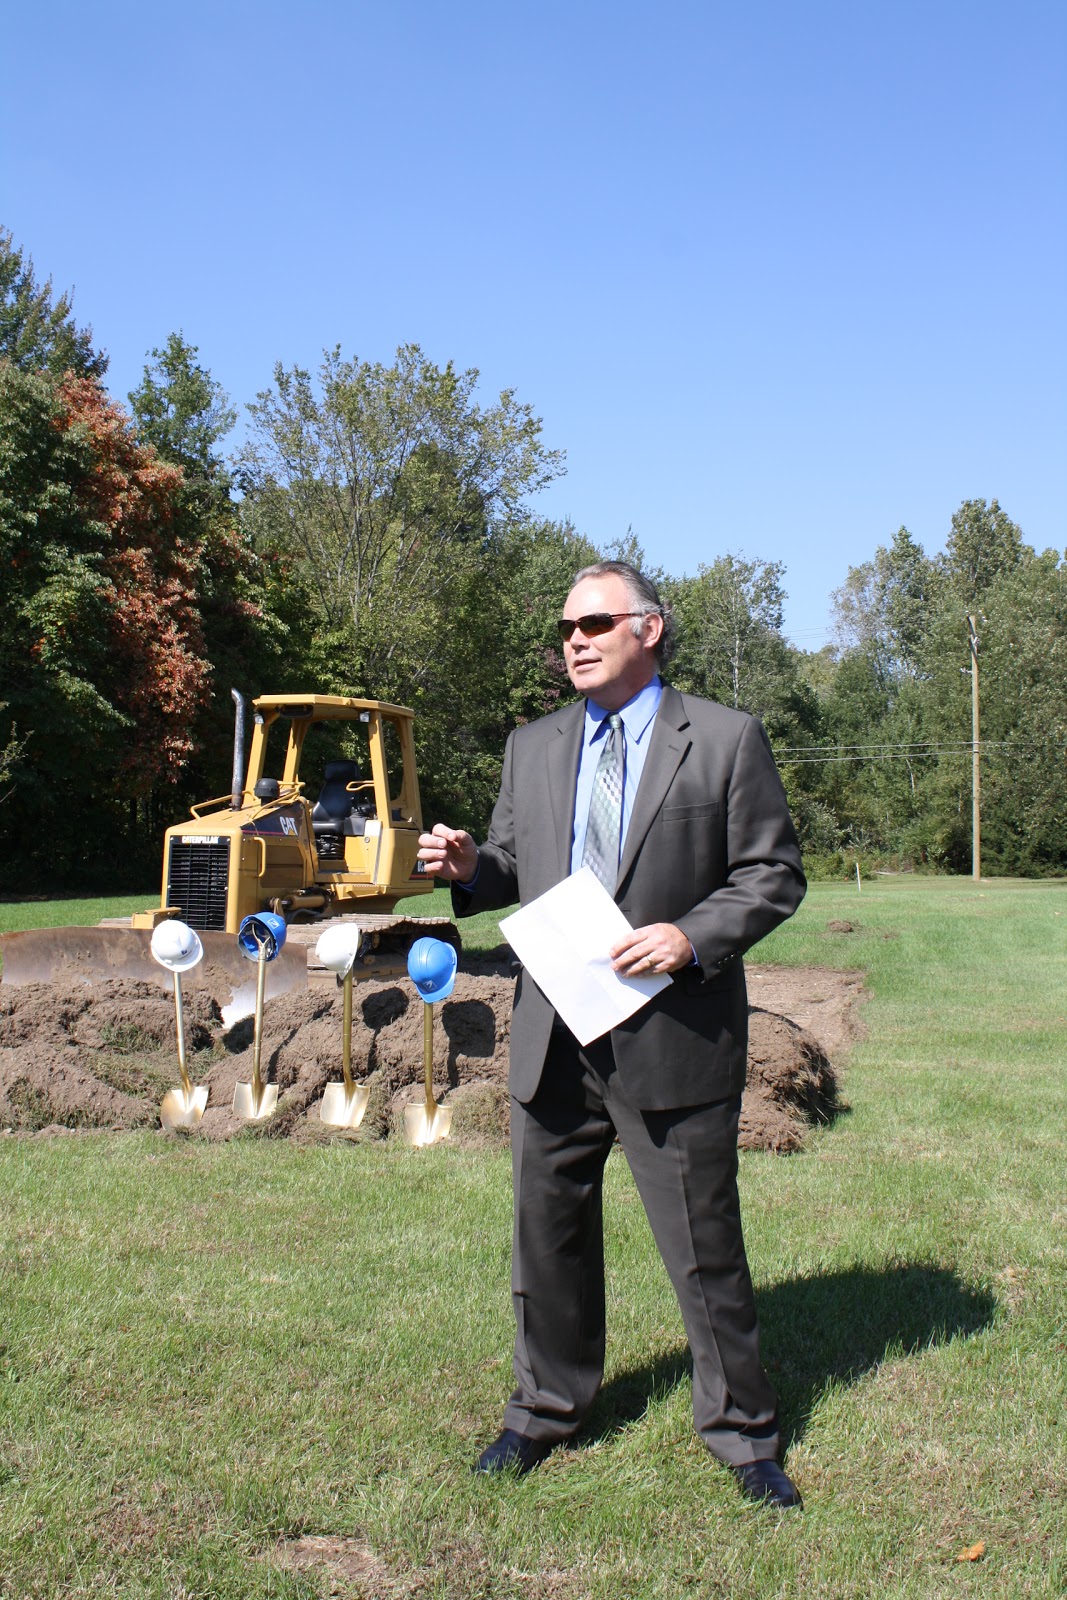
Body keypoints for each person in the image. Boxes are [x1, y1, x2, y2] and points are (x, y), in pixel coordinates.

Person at [418, 560, 807, 1508]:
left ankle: (742, 1433)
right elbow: (514, 864)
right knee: (545, 1236)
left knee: (702, 1243)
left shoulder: (720, 739)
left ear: (650, 628)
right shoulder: (534, 745)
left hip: (673, 1033)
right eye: (564, 629)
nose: (574, 641)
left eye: (594, 622)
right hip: (555, 1033)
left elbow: (771, 874)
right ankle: (544, 1408)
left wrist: (689, 937)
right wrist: (472, 866)